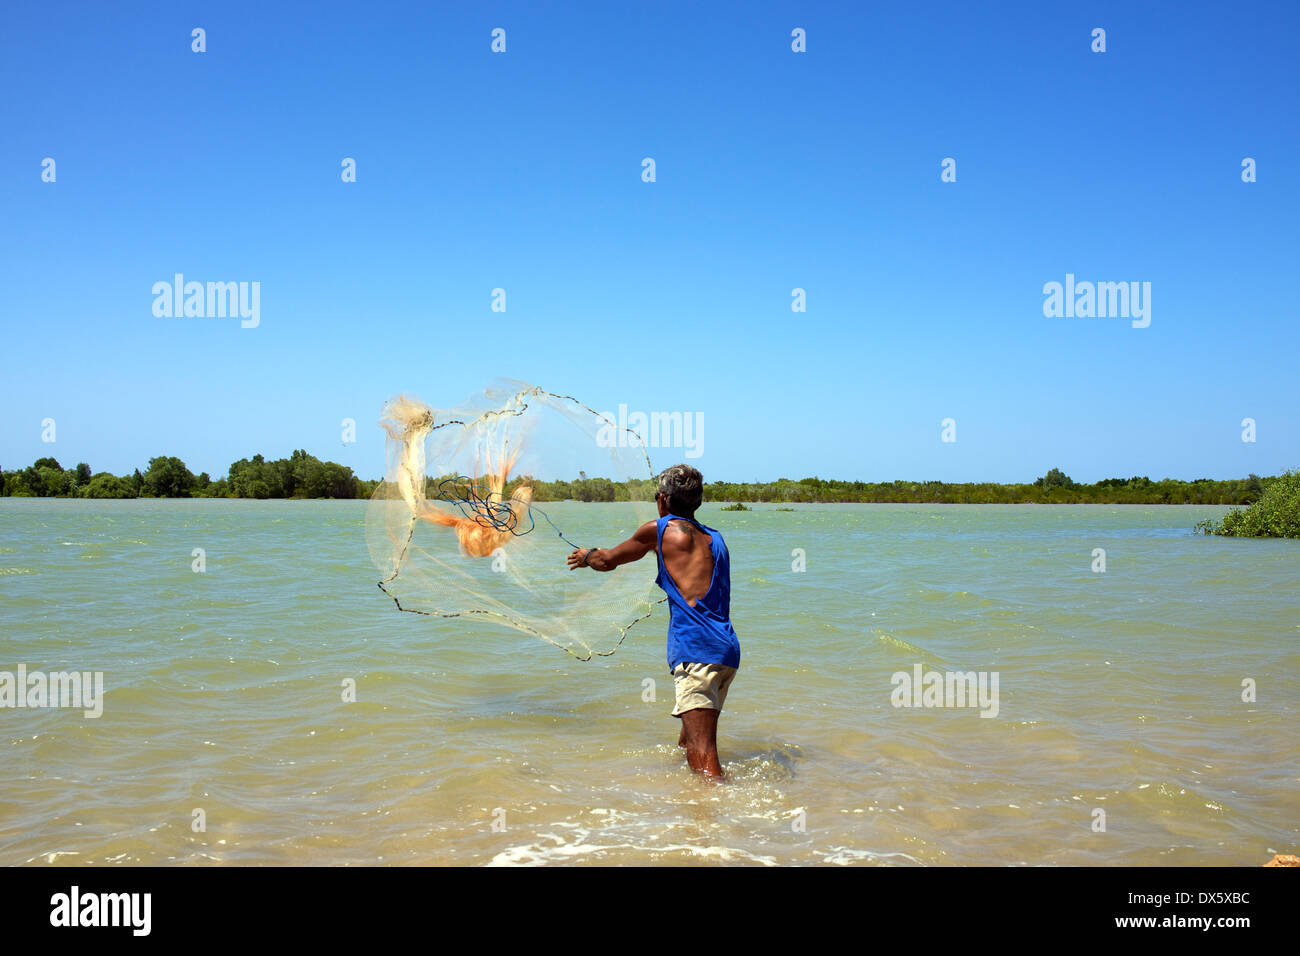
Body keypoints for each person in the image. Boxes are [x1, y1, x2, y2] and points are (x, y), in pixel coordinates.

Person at [566, 464, 741, 778]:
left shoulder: (660, 530)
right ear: (697, 501)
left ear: (662, 499)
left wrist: (586, 555)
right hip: (725, 652)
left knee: (702, 753)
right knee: (689, 741)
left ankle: (715, 815)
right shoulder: (716, 538)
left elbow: (607, 561)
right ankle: (688, 804)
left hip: (696, 651)